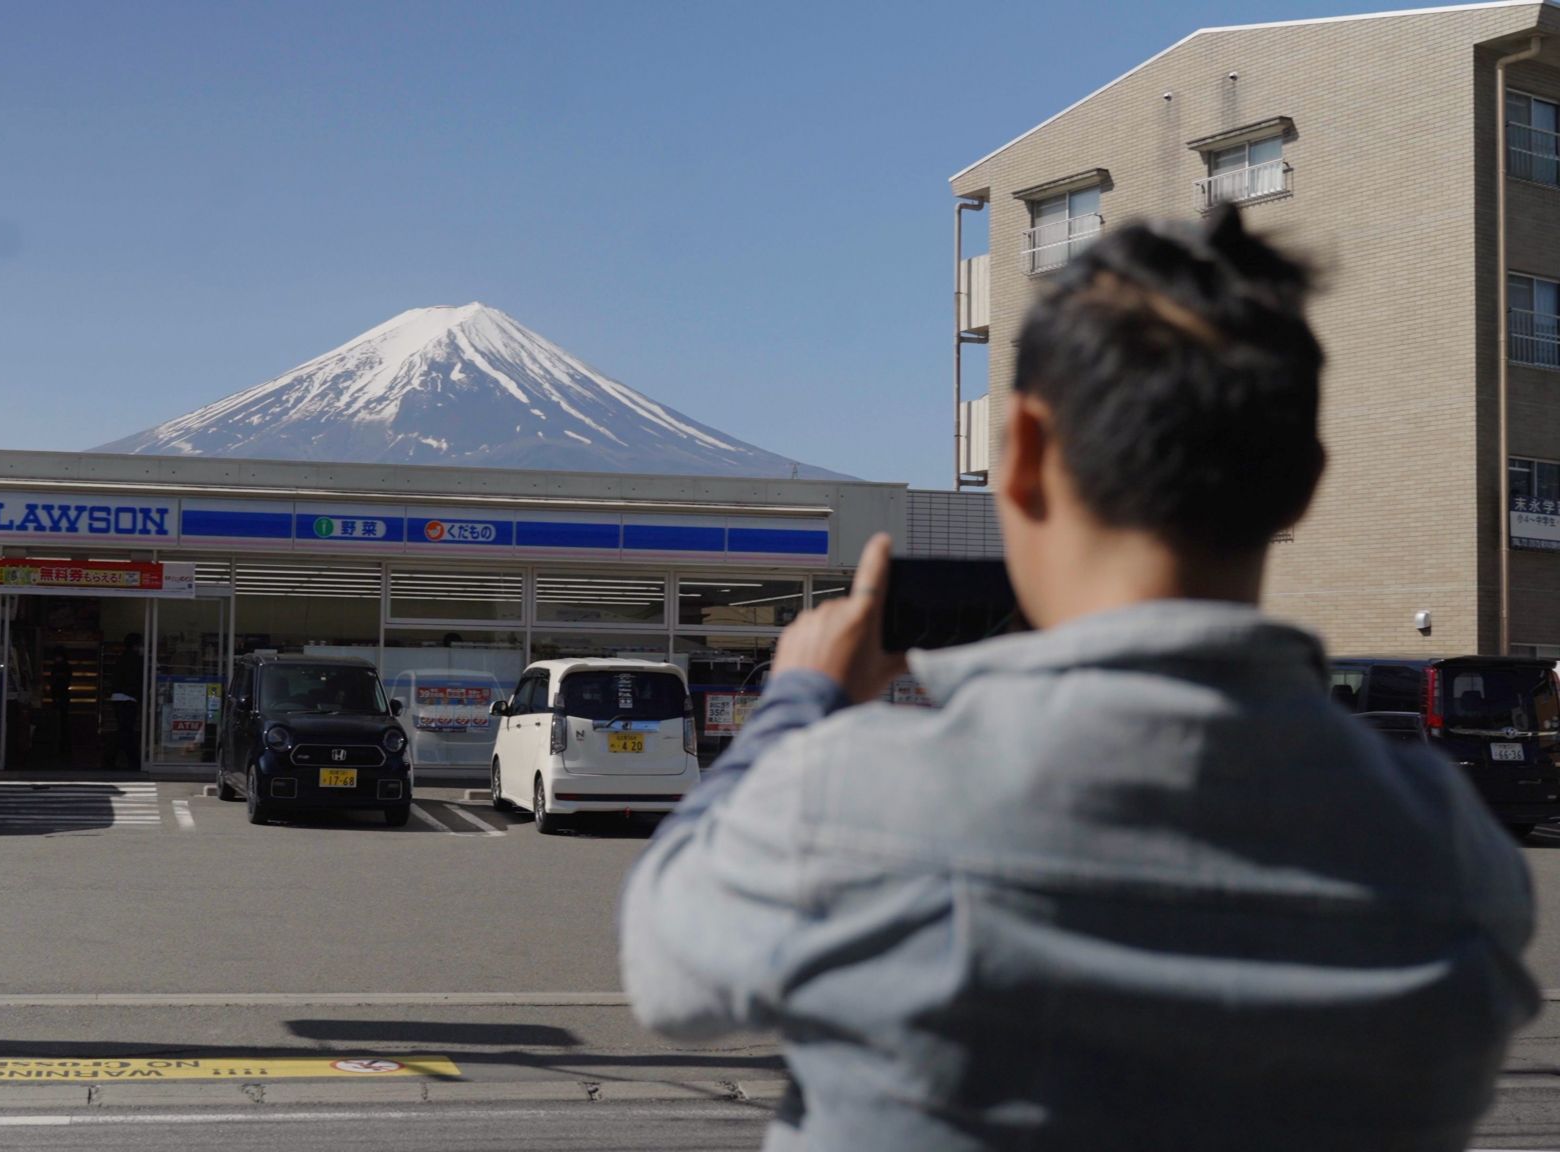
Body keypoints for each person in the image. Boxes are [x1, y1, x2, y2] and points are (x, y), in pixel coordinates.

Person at [620, 207, 1538, 1151]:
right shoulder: (1455, 860)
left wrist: (798, 702)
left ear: (1019, 455)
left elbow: (663, 967)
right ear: (1304, 482)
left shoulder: (848, 797)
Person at [104, 634, 143, 770]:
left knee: (124, 729)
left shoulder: (121, 658)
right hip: (128, 698)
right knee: (126, 730)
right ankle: (129, 760)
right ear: (136, 645)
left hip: (117, 697)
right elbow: (137, 681)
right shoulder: (136, 660)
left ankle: (113, 759)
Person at [49, 651, 74, 759]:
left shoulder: (56, 668)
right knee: (63, 721)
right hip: (63, 697)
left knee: (59, 722)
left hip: (58, 697)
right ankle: (63, 746)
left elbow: (54, 683)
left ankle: (59, 745)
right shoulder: (66, 668)